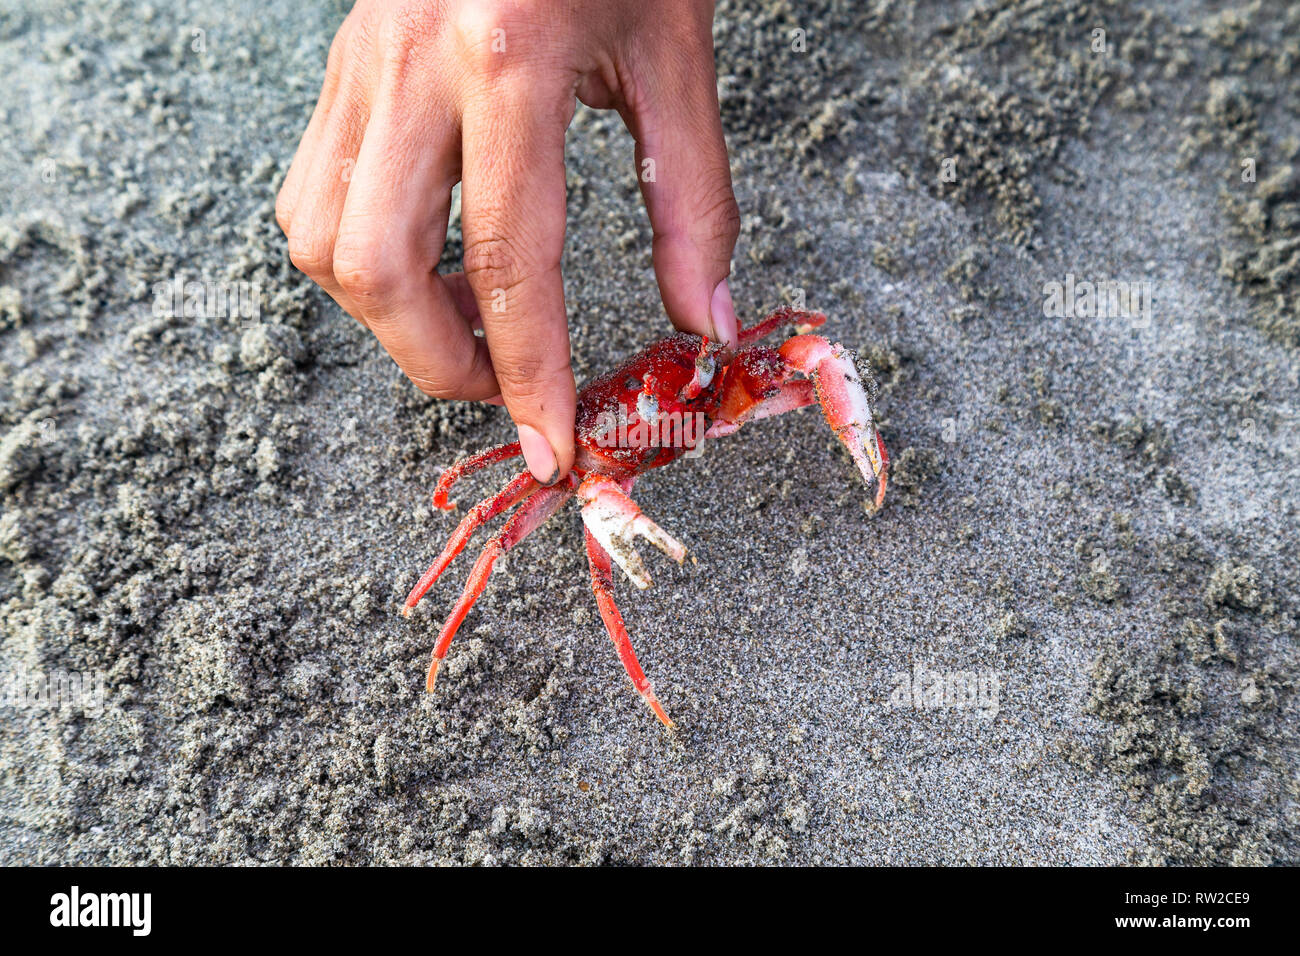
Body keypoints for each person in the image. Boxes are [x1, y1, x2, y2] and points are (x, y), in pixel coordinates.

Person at [276, 0, 740, 486]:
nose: (674, 414)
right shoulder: (597, 445)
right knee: (497, 528)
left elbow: (815, 354)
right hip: (595, 450)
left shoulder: (703, 378)